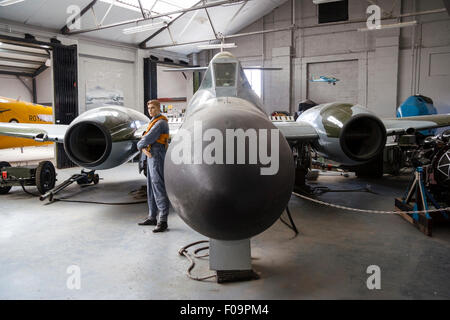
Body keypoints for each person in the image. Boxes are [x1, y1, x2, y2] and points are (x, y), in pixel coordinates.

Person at [137, 100, 170, 233]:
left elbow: (146, 139)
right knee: (151, 187)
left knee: (158, 186)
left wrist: (140, 145)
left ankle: (163, 220)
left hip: (156, 156)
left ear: (159, 108)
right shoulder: (153, 121)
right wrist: (143, 146)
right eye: (149, 108)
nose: (150, 110)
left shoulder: (160, 123)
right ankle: (152, 216)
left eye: (153, 108)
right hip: (151, 156)